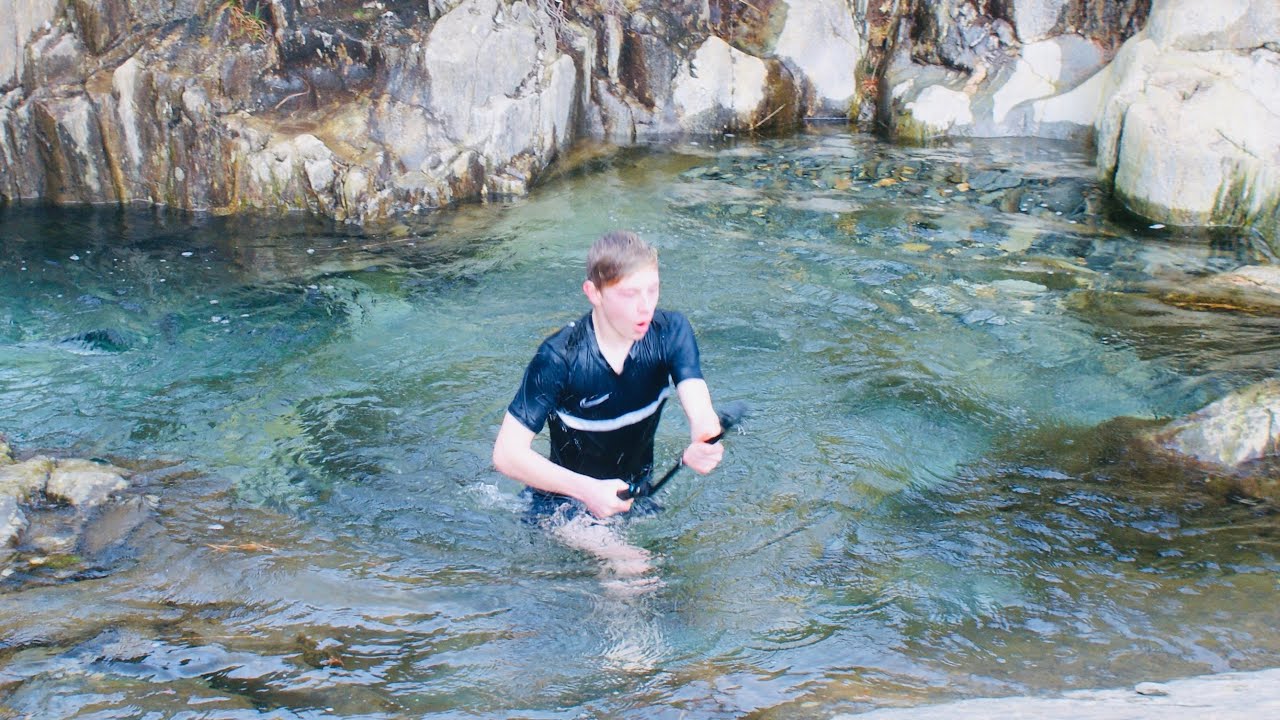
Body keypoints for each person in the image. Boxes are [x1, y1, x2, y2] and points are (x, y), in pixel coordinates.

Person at [492, 230, 724, 522]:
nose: (645, 306)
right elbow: (506, 454)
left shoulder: (671, 333)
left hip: (638, 495)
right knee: (632, 565)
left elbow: (701, 409)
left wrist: (703, 441)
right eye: (629, 293)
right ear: (594, 293)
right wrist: (588, 491)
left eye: (652, 290)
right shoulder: (559, 357)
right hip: (563, 505)